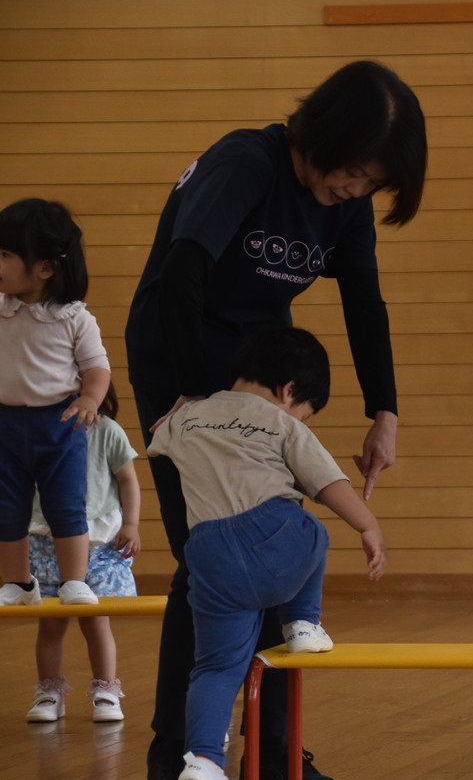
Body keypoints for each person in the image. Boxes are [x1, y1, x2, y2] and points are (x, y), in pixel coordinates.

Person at [123, 60, 426, 780]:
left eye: (370, 182)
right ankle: (179, 754)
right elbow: (180, 276)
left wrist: (384, 408)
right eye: (353, 170)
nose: (354, 188)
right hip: (181, 367)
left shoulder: (344, 206)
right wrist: (200, 403)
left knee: (275, 561)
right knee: (214, 559)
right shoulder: (246, 162)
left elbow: (363, 301)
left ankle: (276, 750)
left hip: (259, 380)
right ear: (323, 131)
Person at [148, 327, 387, 780]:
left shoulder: (188, 417)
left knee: (215, 666)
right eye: (307, 411)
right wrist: (368, 525)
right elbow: (326, 484)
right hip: (270, 536)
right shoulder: (282, 423)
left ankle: (201, 762)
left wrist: (179, 417)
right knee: (312, 530)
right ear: (290, 390)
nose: (304, 419)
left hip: (207, 553)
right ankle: (301, 622)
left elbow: (156, 441)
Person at [0, 198, 110, 610]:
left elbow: (97, 368)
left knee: (65, 507)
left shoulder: (73, 318)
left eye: (6, 255)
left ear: (45, 268)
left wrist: (90, 398)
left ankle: (73, 581)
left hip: (60, 424)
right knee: (6, 510)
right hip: (6, 423)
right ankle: (18, 582)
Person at [26, 383, 141, 723]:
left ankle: (106, 690)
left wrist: (131, 524)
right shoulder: (38, 432)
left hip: (99, 543)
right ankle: (49, 692)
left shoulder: (108, 431)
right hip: (47, 540)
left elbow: (128, 480)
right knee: (50, 624)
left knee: (96, 622)